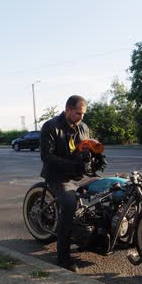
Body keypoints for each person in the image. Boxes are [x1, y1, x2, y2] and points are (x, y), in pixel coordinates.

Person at [40, 95, 92, 272]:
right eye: (78, 113)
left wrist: (95, 160)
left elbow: (87, 150)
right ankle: (63, 257)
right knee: (69, 205)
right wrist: (73, 165)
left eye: (83, 114)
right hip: (59, 176)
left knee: (109, 190)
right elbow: (47, 157)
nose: (81, 117)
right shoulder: (51, 126)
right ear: (68, 109)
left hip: (79, 174)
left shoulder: (83, 127)